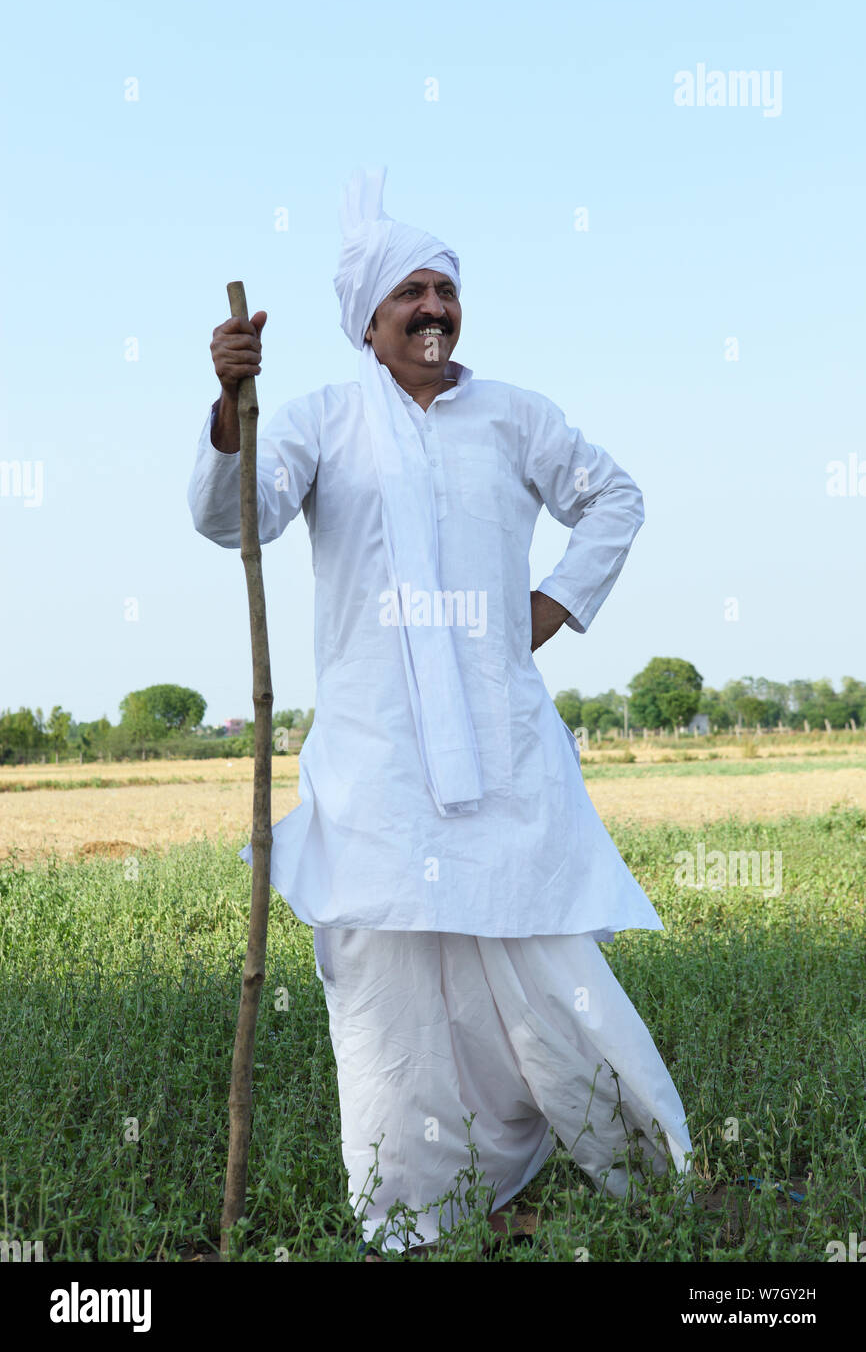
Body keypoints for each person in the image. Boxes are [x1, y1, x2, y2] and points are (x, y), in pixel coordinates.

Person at [187, 167, 692, 1258]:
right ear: (367, 320)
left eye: (443, 290)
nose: (430, 308)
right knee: (386, 1010)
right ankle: (410, 1218)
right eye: (407, 293)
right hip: (372, 778)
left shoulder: (513, 415)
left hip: (505, 764)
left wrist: (554, 602)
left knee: (550, 981)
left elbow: (615, 497)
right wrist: (231, 408)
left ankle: (638, 1169)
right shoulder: (319, 420)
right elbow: (230, 521)